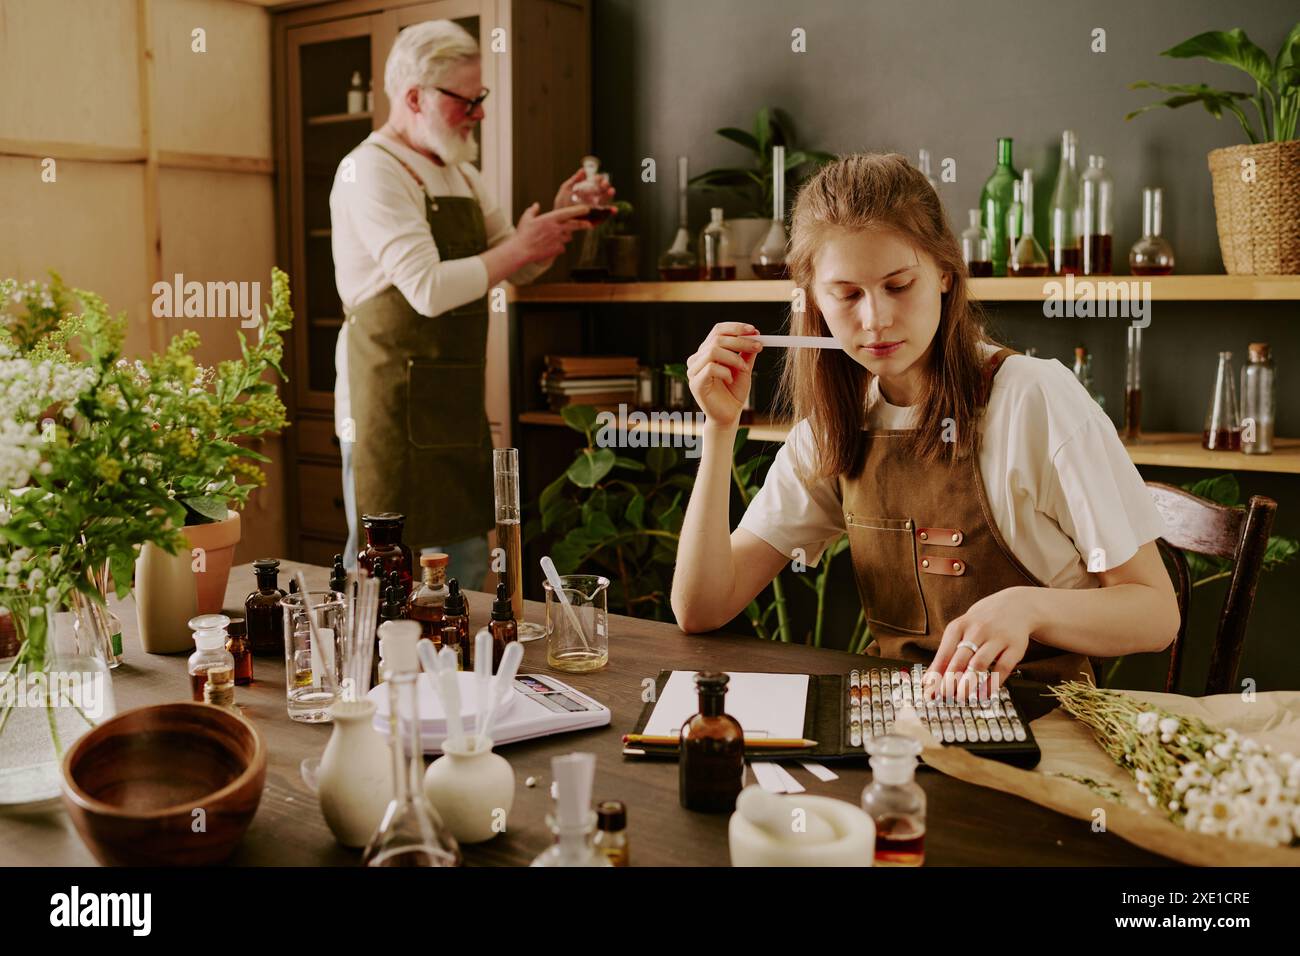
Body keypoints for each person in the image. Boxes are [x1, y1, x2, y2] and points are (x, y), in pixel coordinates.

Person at [670, 152, 1179, 694]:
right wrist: (719, 429)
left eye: (898, 285)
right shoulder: (832, 428)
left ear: (943, 273)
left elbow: (1154, 614)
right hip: (893, 720)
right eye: (846, 295)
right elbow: (702, 608)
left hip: (1042, 721)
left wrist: (1029, 608)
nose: (876, 319)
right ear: (813, 299)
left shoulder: (1035, 398)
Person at [330, 20, 610, 585]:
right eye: (467, 100)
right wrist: (518, 249)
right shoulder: (371, 171)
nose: (479, 113)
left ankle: (465, 676)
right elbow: (428, 288)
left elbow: (517, 265)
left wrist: (557, 219)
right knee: (390, 579)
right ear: (414, 97)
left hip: (454, 409)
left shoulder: (460, 173)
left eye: (480, 99)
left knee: (466, 581)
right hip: (384, 409)